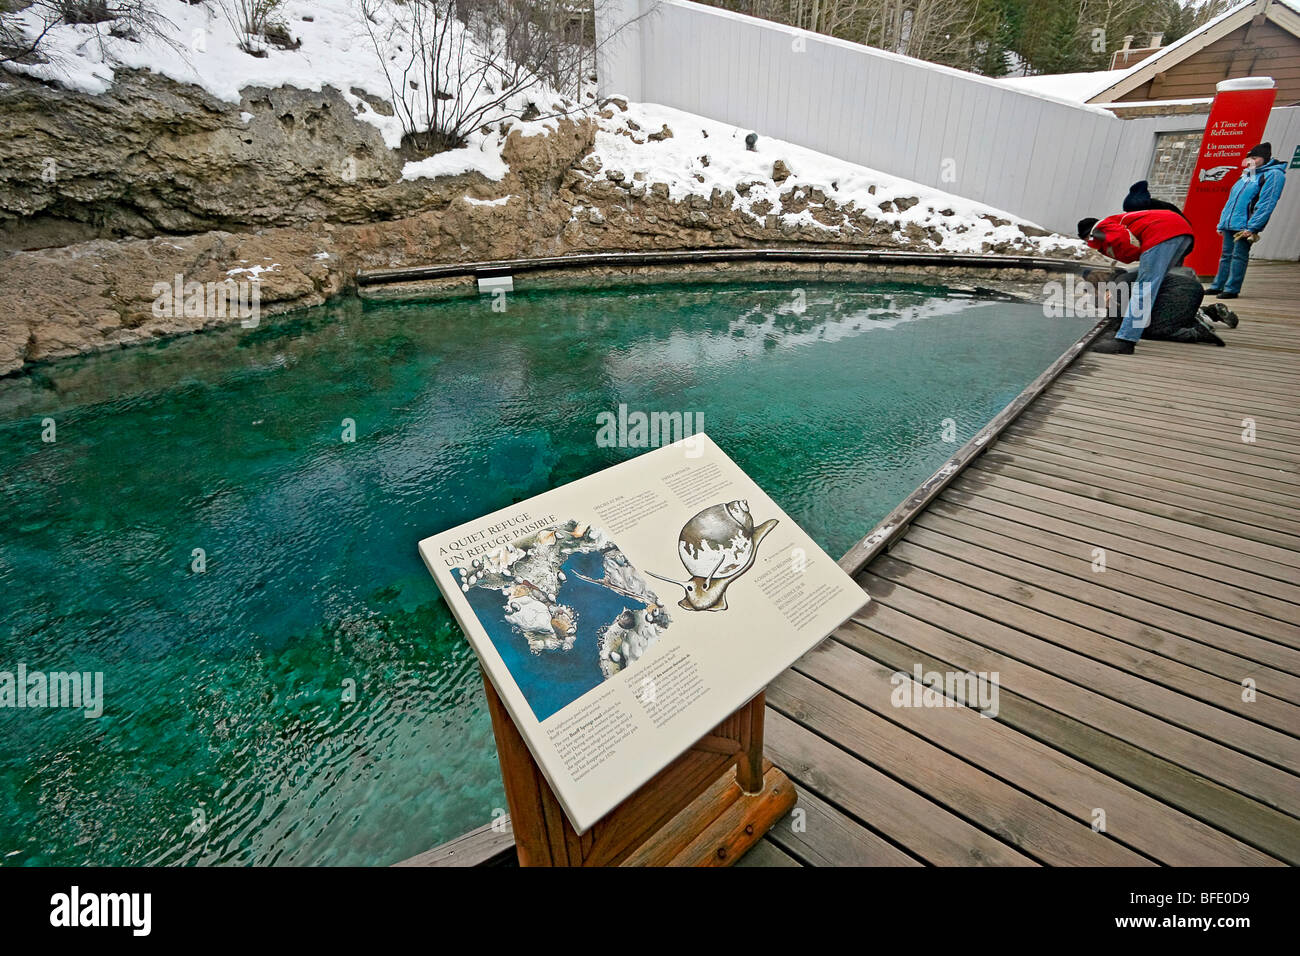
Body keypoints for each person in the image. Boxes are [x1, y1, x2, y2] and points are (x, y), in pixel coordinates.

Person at [1077, 208, 1195, 354]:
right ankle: (1139, 327)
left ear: (1088, 235)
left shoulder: (1100, 229)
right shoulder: (1118, 220)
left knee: (1144, 287)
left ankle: (1126, 340)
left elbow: (1125, 244)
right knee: (1154, 284)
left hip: (1161, 234)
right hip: (1180, 231)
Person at [1208, 142, 1288, 299]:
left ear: (1265, 158)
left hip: (1246, 224)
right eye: (1249, 157)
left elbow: (1267, 202)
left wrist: (1253, 226)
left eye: (1255, 157)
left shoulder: (1274, 175)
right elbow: (1232, 200)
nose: (1251, 160)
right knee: (1226, 255)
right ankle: (1218, 285)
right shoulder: (1247, 174)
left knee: (1239, 256)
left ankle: (1232, 289)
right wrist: (1222, 223)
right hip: (1231, 223)